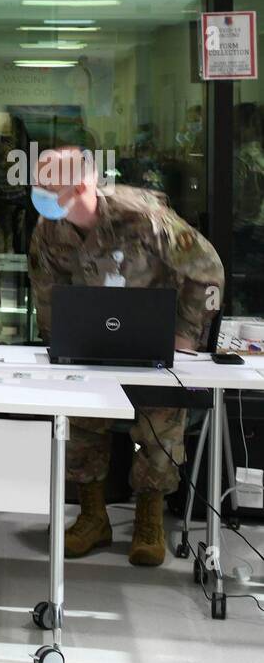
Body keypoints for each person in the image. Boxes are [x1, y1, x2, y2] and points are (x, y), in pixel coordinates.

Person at [28, 144, 224, 567]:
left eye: (47, 185)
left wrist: (187, 334)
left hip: (152, 341)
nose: (38, 193)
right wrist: (57, 344)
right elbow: (46, 290)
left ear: (80, 185)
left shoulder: (144, 218)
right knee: (78, 425)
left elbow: (208, 270)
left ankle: (148, 519)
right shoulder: (49, 228)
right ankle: (92, 516)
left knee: (157, 431)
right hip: (89, 343)